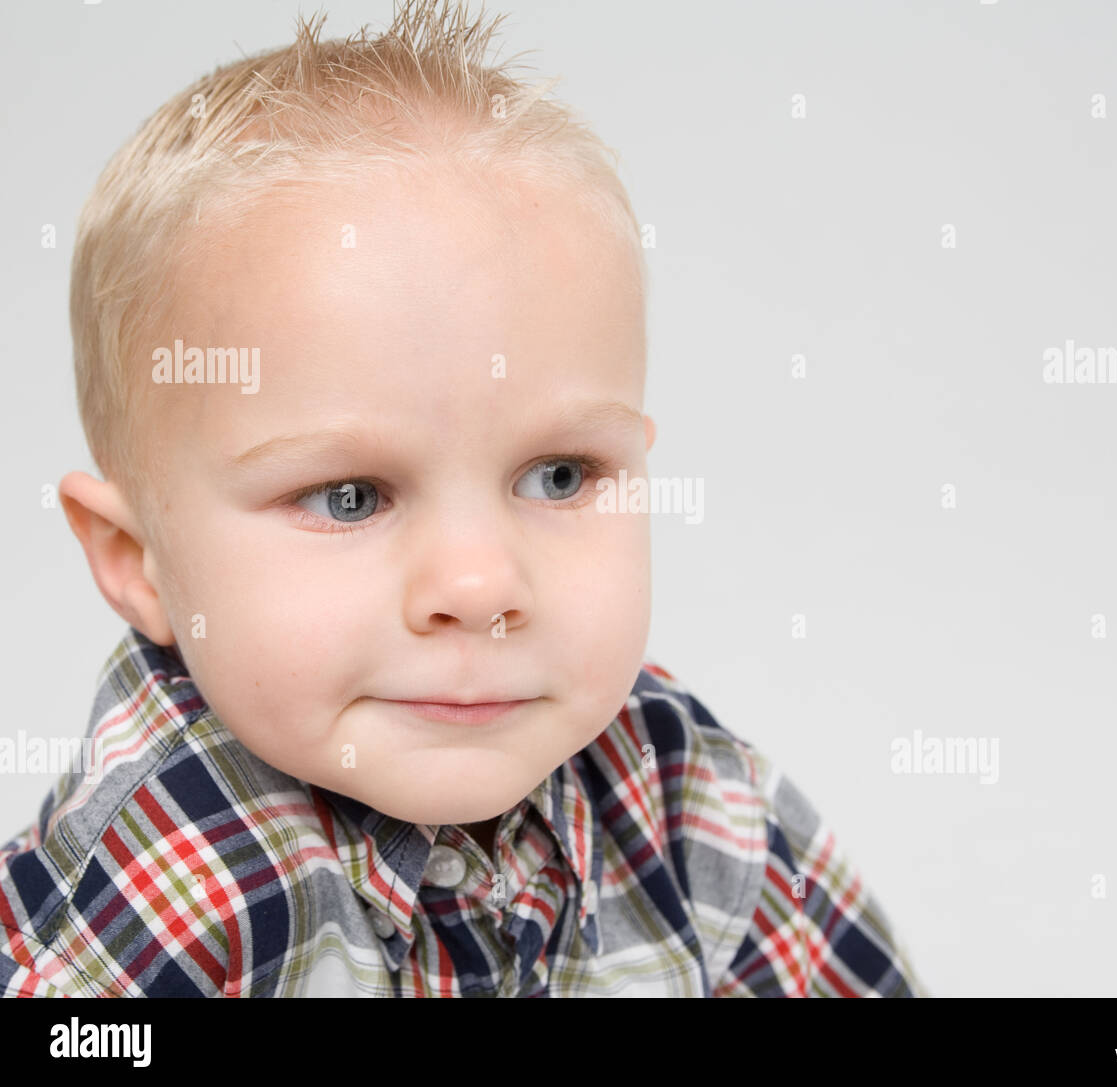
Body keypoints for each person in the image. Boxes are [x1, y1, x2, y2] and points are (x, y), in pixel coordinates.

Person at [0, 0, 925, 997]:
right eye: (350, 496)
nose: (480, 583)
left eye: (558, 475)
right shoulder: (174, 882)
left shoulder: (683, 797)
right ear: (137, 559)